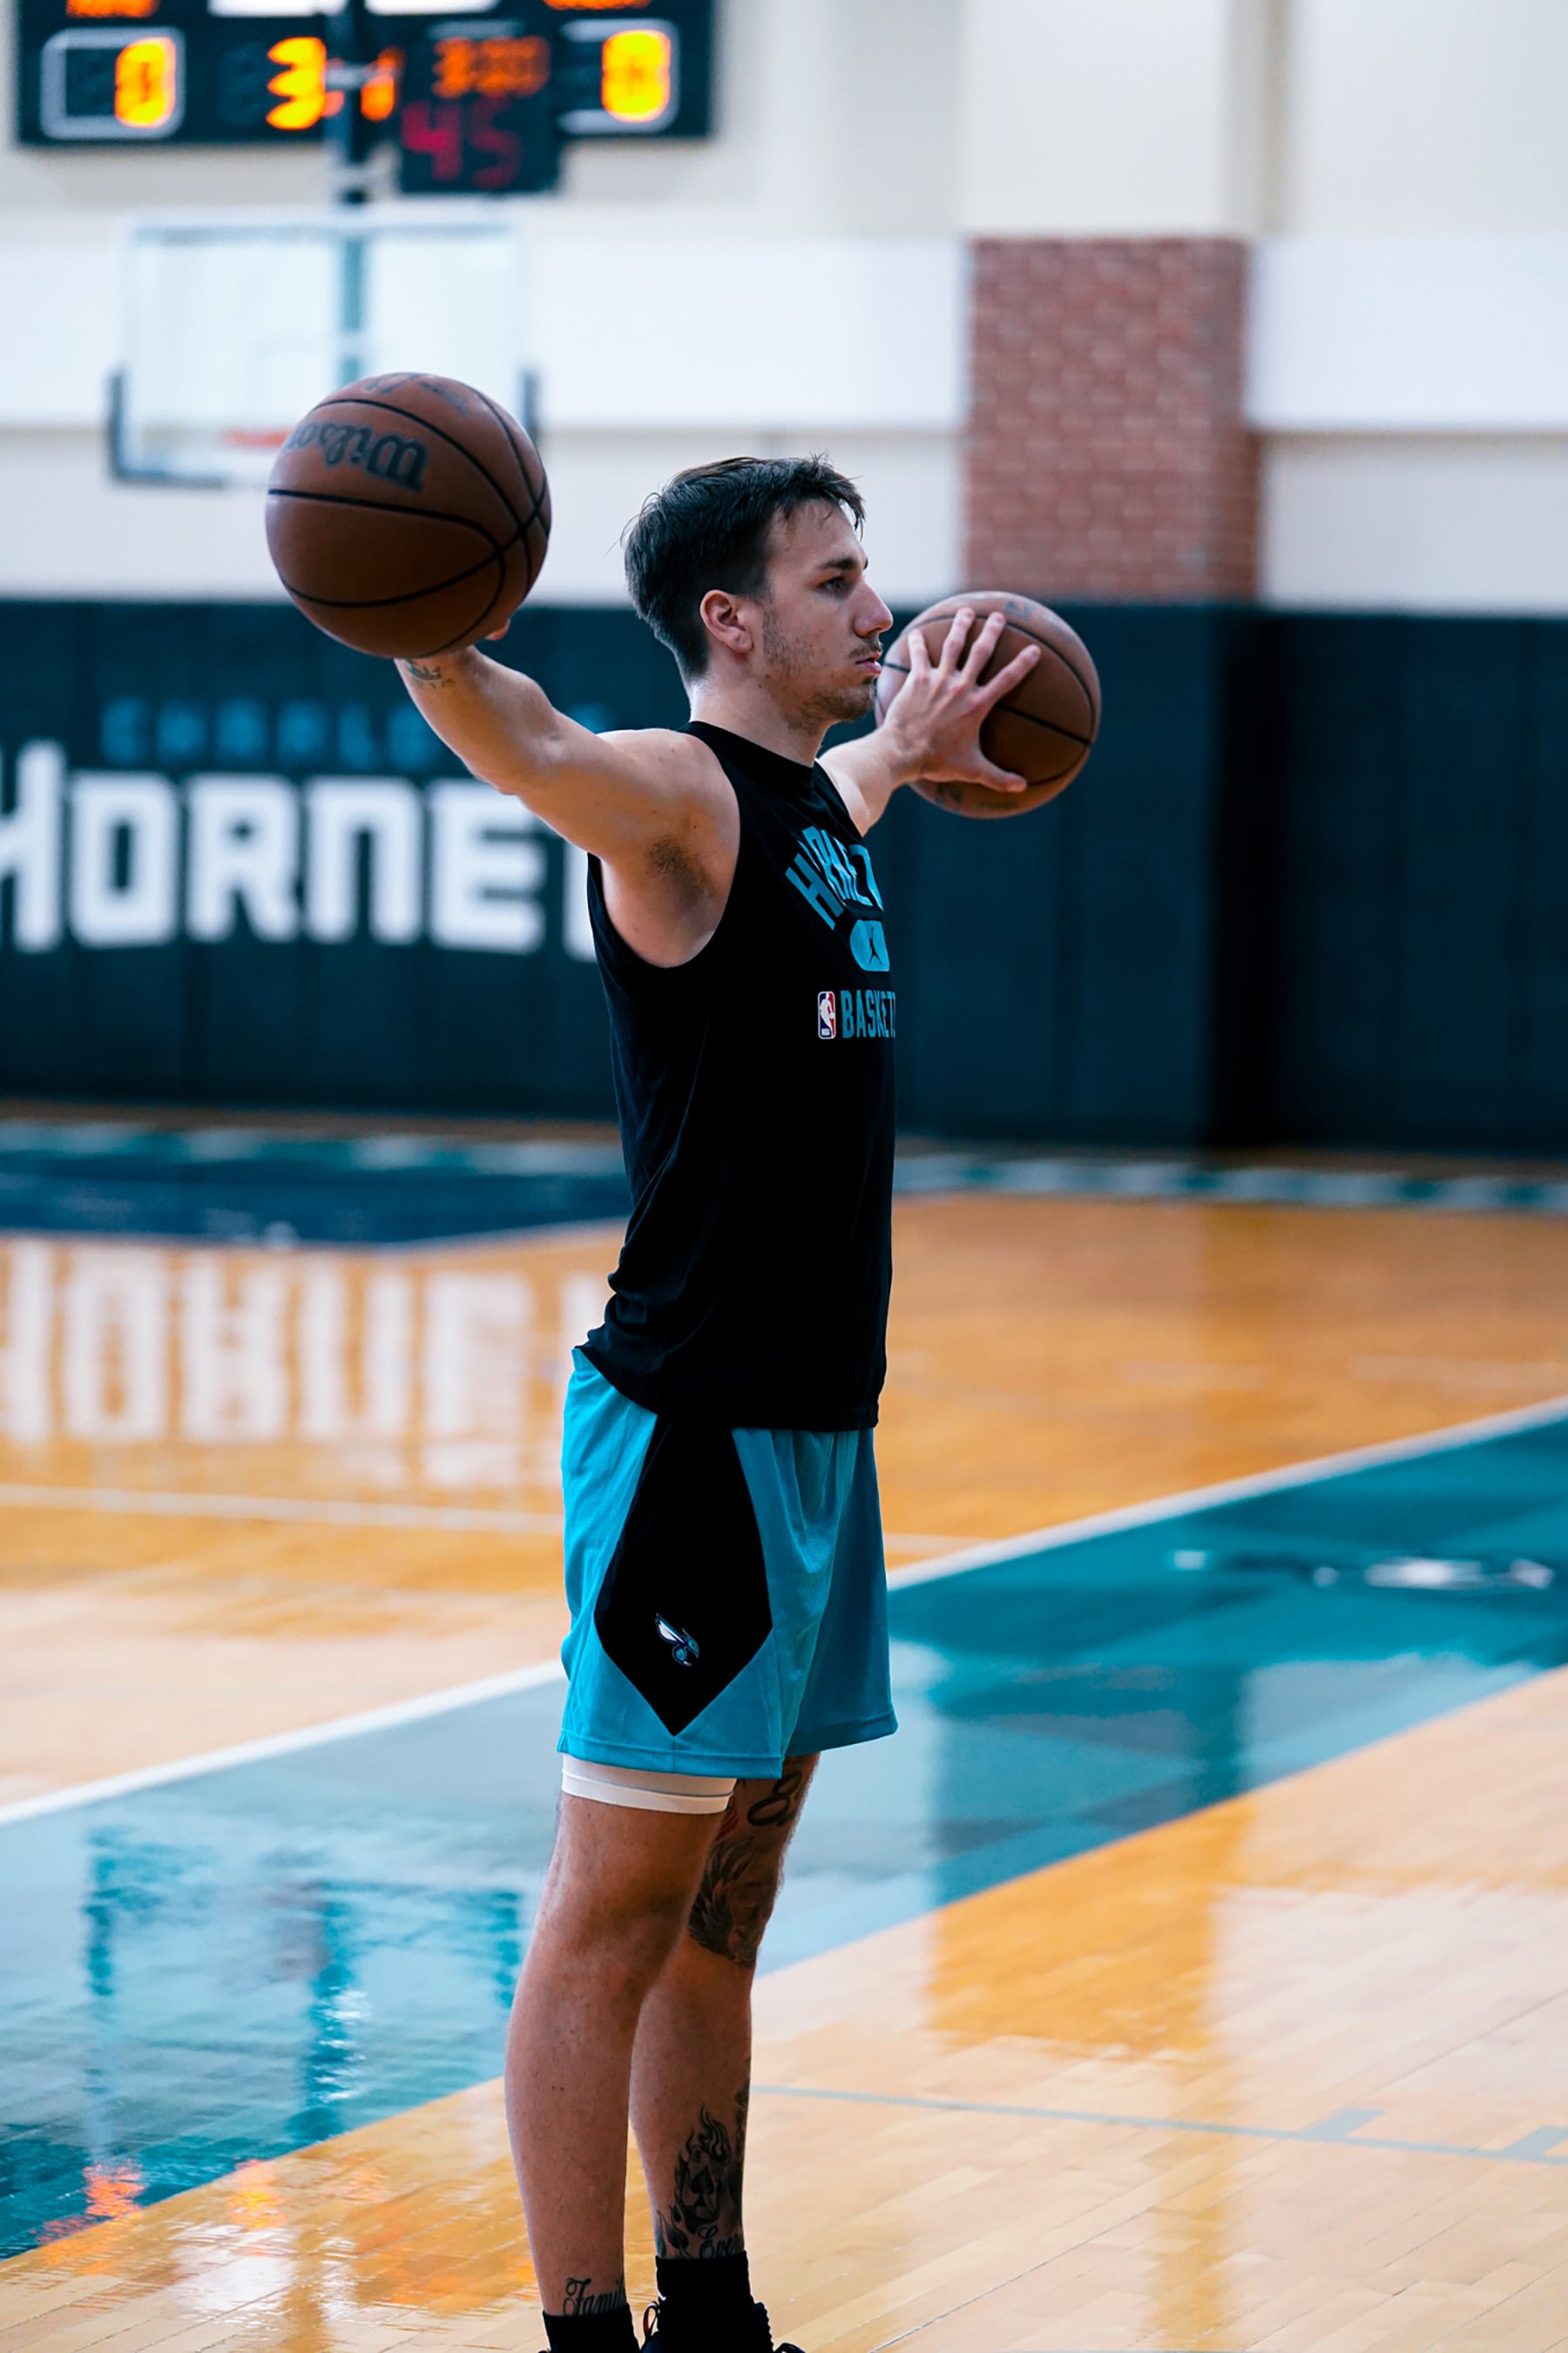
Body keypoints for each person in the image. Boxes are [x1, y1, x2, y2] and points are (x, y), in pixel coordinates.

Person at [395, 456, 1038, 2353]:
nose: (879, 608)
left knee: (724, 1917)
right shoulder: (673, 794)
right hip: (694, 1438)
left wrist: (903, 759)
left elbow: (824, 789)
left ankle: (712, 2310)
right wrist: (423, 616)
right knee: (614, 1913)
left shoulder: (816, 808)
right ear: (733, 621)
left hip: (819, 1437)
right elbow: (520, 733)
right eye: (839, 580)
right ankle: (583, 2330)